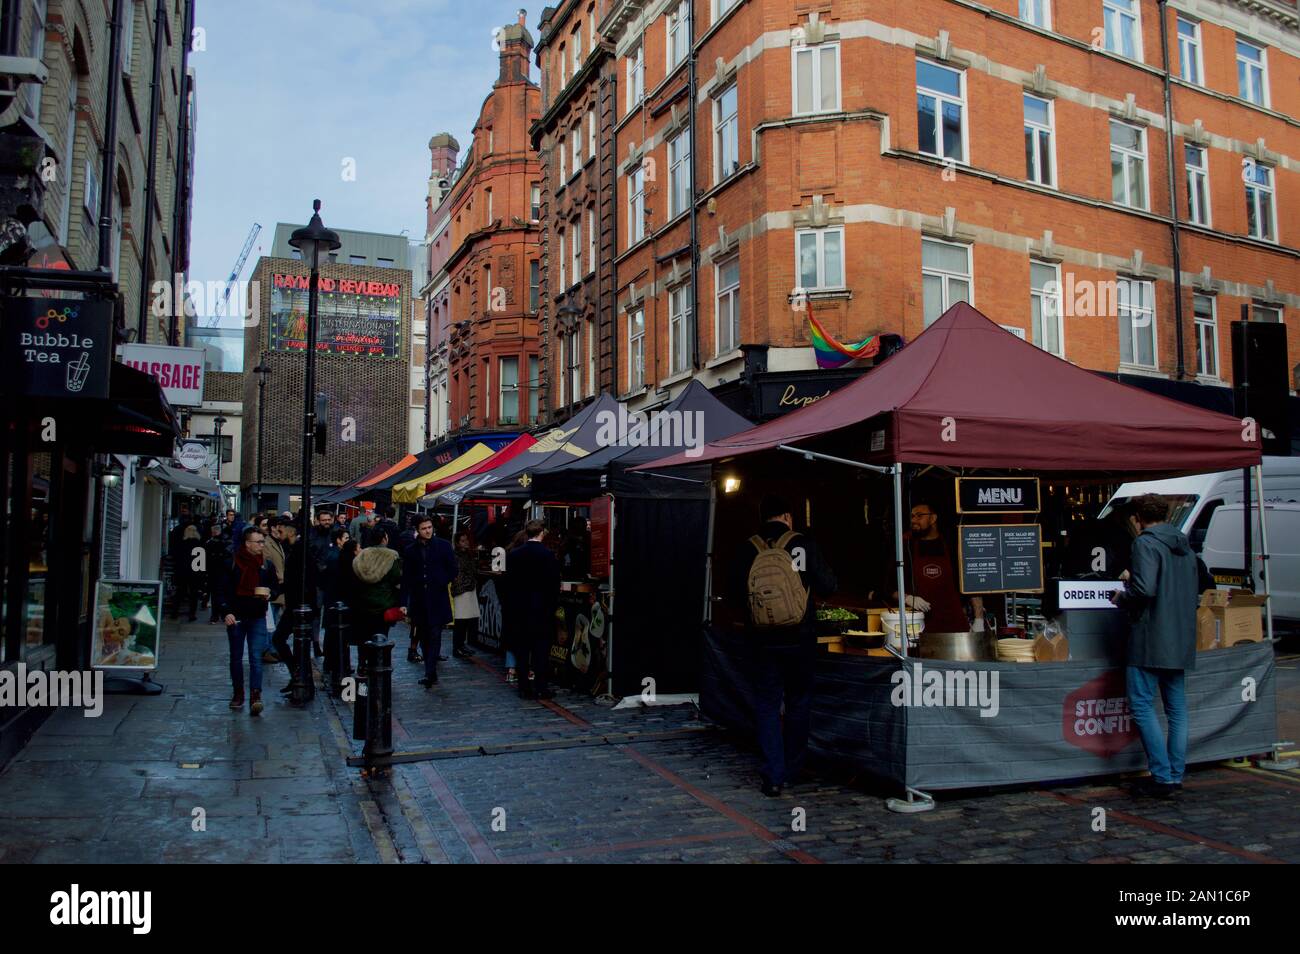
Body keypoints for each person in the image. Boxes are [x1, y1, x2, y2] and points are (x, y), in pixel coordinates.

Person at [729, 494, 836, 797]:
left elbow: (735, 595)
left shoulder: (748, 547)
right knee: (799, 701)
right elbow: (828, 585)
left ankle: (773, 775)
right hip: (800, 638)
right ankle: (793, 769)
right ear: (788, 517)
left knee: (766, 704)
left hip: (761, 640)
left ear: (762, 517)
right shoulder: (802, 543)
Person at [1110, 494, 1199, 799]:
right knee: (1177, 710)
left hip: (1150, 639)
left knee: (1142, 706)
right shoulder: (1184, 546)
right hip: (1181, 638)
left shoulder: (1145, 544)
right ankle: (1174, 775)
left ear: (1138, 518)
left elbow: (1145, 589)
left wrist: (1123, 595)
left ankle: (1161, 776)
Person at [893, 501, 983, 633]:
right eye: (912, 516)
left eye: (919, 516)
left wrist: (979, 619)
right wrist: (907, 598)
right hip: (919, 625)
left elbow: (971, 583)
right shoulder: (906, 546)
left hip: (954, 625)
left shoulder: (953, 544)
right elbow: (889, 587)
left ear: (933, 518)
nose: (914, 520)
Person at [218, 527, 280, 715]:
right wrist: (225, 612)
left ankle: (255, 695)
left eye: (263, 542)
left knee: (255, 657)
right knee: (236, 658)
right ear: (247, 544)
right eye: (259, 542)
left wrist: (271, 594)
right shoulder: (232, 563)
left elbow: (276, 588)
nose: (262, 545)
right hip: (236, 617)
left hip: (257, 616)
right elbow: (220, 590)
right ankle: (238, 693)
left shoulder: (266, 566)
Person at [503, 520, 561, 699]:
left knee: (522, 651)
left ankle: (523, 687)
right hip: (541, 610)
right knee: (540, 651)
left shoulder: (515, 554)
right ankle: (541, 687)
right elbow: (554, 585)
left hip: (520, 609)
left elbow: (508, 584)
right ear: (541, 533)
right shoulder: (548, 555)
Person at [401, 514, 458, 687]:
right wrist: (403, 602)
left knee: (435, 634)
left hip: (437, 597)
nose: (428, 531)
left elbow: (453, 569)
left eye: (429, 527)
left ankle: (430, 671)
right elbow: (406, 578)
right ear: (417, 530)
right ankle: (429, 670)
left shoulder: (444, 546)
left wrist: (441, 580)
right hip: (419, 600)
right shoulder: (411, 550)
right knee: (424, 636)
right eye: (424, 528)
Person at [270, 517, 318, 693]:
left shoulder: (300, 551)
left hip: (299, 606)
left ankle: (299, 676)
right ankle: (298, 676)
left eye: (280, 530)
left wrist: (279, 590)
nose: (277, 533)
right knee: (291, 642)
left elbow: (304, 580)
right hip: (297, 605)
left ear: (290, 532)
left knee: (280, 639)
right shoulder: (293, 549)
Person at [351, 526, 403, 650]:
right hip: (383, 603)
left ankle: (363, 663)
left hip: (363, 603)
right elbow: (396, 578)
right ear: (385, 539)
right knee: (381, 636)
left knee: (364, 636)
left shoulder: (362, 555)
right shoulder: (391, 555)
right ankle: (378, 662)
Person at [450, 531, 480, 660]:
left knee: (465, 619)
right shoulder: (457, 556)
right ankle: (458, 646)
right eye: (463, 540)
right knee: (461, 620)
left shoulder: (466, 555)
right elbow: (458, 573)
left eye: (466, 540)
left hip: (467, 588)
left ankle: (461, 645)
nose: (466, 542)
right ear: (457, 543)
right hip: (462, 589)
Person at [262, 516, 287, 663]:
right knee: (269, 620)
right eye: (280, 527)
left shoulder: (277, 543)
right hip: (274, 587)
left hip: (279, 588)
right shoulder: (267, 544)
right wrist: (279, 577)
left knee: (274, 619)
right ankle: (266, 650)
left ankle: (271, 648)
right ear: (273, 528)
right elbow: (268, 565)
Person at [172, 524, 202, 622]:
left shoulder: (181, 544)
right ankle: (192, 614)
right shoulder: (199, 544)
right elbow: (201, 561)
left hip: (182, 572)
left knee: (180, 592)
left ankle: (175, 612)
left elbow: (176, 558)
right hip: (195, 572)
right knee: (194, 594)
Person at [204, 523, 232, 623]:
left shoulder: (209, 543)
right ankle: (224, 614)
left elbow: (206, 559)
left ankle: (215, 615)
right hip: (224, 572)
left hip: (213, 572)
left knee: (215, 594)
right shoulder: (227, 542)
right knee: (224, 593)